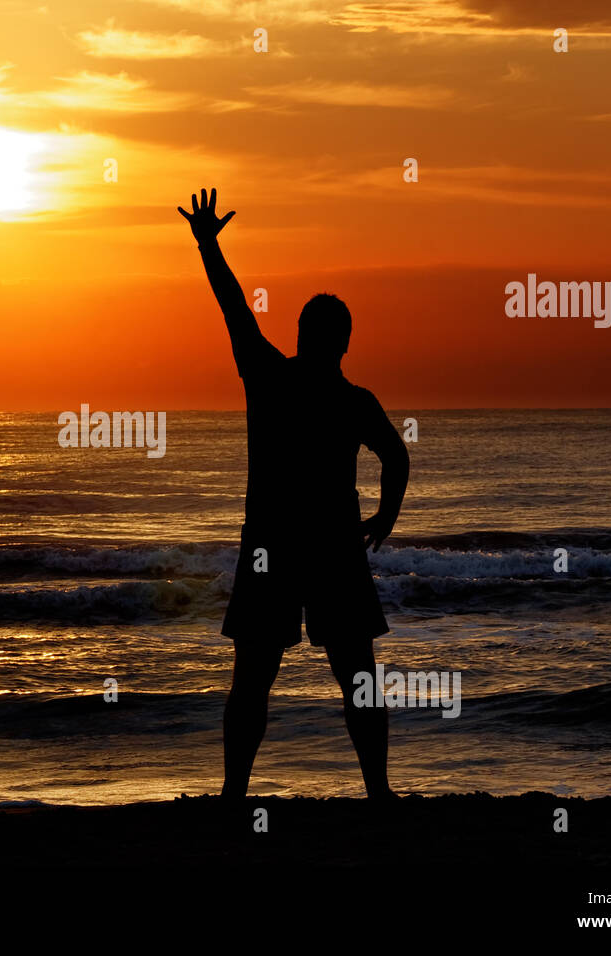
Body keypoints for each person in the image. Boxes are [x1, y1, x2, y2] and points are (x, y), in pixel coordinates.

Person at [177, 187, 410, 801]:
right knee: (356, 675)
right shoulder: (352, 400)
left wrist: (209, 244)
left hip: (272, 550)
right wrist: (385, 514)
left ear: (303, 335)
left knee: (253, 677)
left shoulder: (270, 377)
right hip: (332, 548)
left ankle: (234, 794)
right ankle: (378, 794)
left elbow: (232, 308)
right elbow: (397, 456)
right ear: (345, 343)